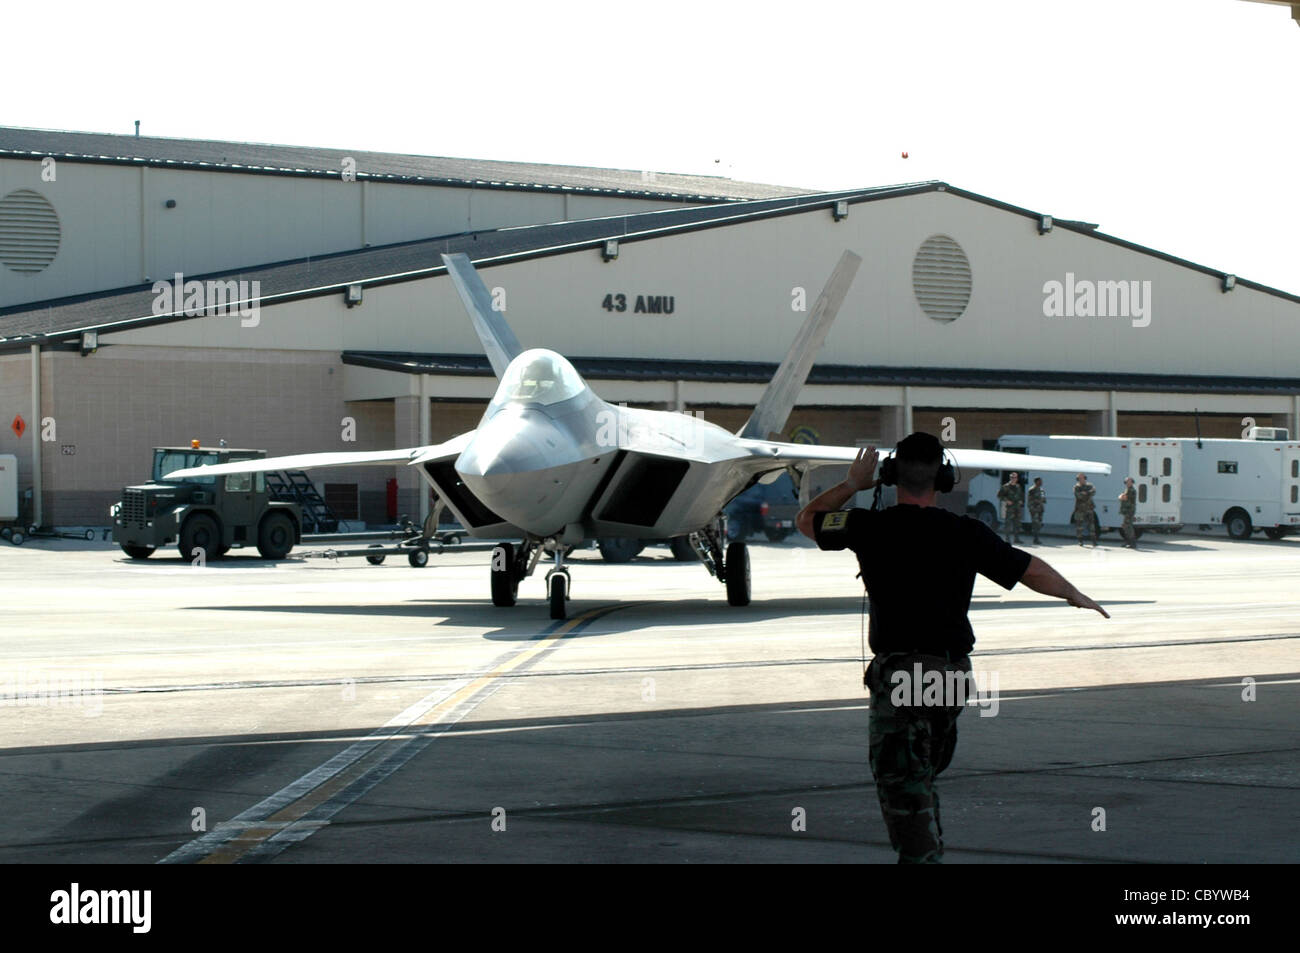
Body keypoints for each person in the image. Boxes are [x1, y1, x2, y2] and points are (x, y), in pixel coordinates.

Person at [796, 432, 1109, 864]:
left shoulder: (868, 526)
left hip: (903, 677)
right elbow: (1028, 569)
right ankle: (929, 848)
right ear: (942, 478)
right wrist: (1075, 593)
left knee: (904, 789)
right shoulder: (967, 533)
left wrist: (852, 483)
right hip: (950, 678)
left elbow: (808, 519)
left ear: (889, 477)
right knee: (921, 776)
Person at [997, 471, 1024, 544]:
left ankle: (1016, 539)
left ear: (1017, 478)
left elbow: (1021, 495)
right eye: (1012, 477)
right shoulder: (1006, 486)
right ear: (1010, 478)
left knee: (1017, 523)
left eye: (1015, 477)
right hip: (1010, 508)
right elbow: (999, 496)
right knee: (1008, 523)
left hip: (1017, 508)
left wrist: (1021, 501)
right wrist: (1007, 500)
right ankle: (1007, 539)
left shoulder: (1018, 487)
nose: (1013, 479)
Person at [1073, 472, 1098, 546]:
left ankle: (1094, 541)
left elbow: (1093, 492)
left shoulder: (1090, 485)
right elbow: (1078, 496)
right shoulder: (1076, 487)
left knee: (1091, 525)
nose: (1080, 479)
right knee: (1079, 526)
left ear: (1085, 478)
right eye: (1079, 478)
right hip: (1080, 509)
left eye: (1082, 478)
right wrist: (1087, 494)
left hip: (1089, 508)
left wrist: (1085, 493)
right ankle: (1080, 541)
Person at [1118, 477, 1138, 549]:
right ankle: (1128, 542)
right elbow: (1122, 496)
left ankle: (1132, 543)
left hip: (1130, 511)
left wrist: (1120, 496)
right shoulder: (1127, 489)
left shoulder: (1131, 490)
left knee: (1128, 526)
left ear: (1132, 482)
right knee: (1125, 526)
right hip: (1127, 510)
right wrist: (1121, 496)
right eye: (1126, 482)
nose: (1128, 483)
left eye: (1129, 482)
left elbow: (1123, 497)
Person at [1027, 477, 1046, 544]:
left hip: (1040, 509)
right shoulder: (1032, 489)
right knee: (1035, 524)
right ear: (1036, 482)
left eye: (1041, 481)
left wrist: (1043, 500)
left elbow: (1044, 499)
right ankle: (1035, 539)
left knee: (1039, 524)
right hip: (1034, 509)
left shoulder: (1041, 489)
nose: (1041, 482)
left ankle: (1037, 538)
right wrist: (1031, 509)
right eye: (1040, 481)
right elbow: (1030, 500)